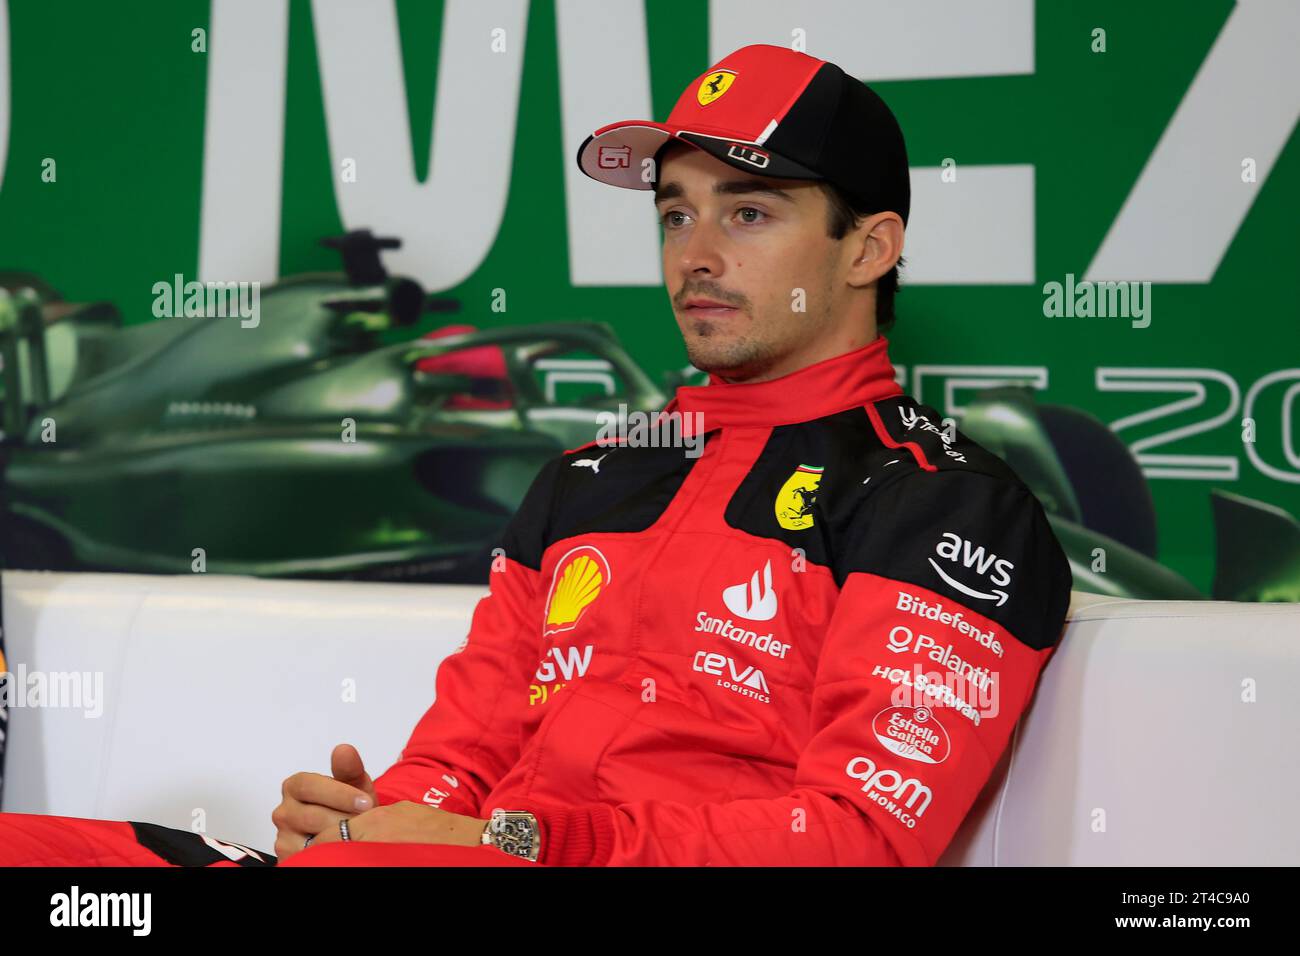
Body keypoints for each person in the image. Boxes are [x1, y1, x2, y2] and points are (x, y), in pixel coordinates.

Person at [0, 43, 1072, 867]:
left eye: (748, 211)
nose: (694, 256)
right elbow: (461, 751)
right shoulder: (588, 478)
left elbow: (857, 839)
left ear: (870, 246)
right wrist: (374, 817)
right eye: (673, 213)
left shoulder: (945, 506)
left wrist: (519, 843)